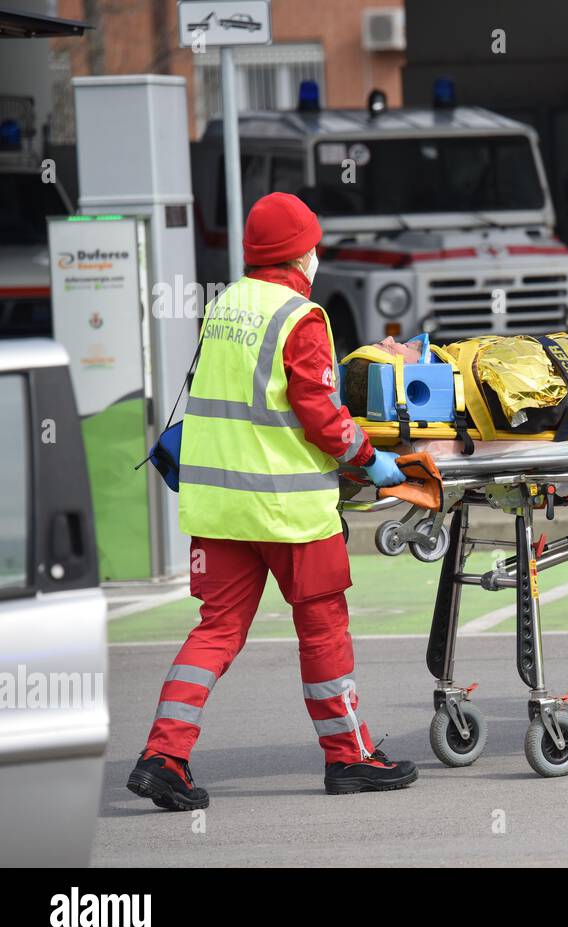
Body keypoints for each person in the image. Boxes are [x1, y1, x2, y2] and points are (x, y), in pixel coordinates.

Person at [127, 192, 417, 810]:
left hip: (218, 508)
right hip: (287, 512)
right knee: (322, 631)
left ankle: (163, 755)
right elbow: (323, 417)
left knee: (216, 631)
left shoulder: (223, 306)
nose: (317, 256)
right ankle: (349, 757)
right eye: (314, 245)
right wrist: (371, 462)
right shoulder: (300, 318)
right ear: (299, 253)